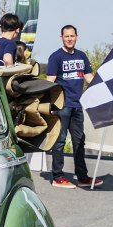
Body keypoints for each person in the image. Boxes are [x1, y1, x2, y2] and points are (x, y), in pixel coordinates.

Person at [42, 24, 96, 189]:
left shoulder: (82, 56)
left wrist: (103, 90)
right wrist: (47, 104)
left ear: (77, 37)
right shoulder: (56, 57)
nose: (70, 39)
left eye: (72, 36)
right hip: (61, 105)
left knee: (79, 141)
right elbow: (49, 82)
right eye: (66, 36)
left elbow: (88, 77)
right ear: (62, 38)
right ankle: (58, 176)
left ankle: (82, 177)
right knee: (60, 140)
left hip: (77, 105)